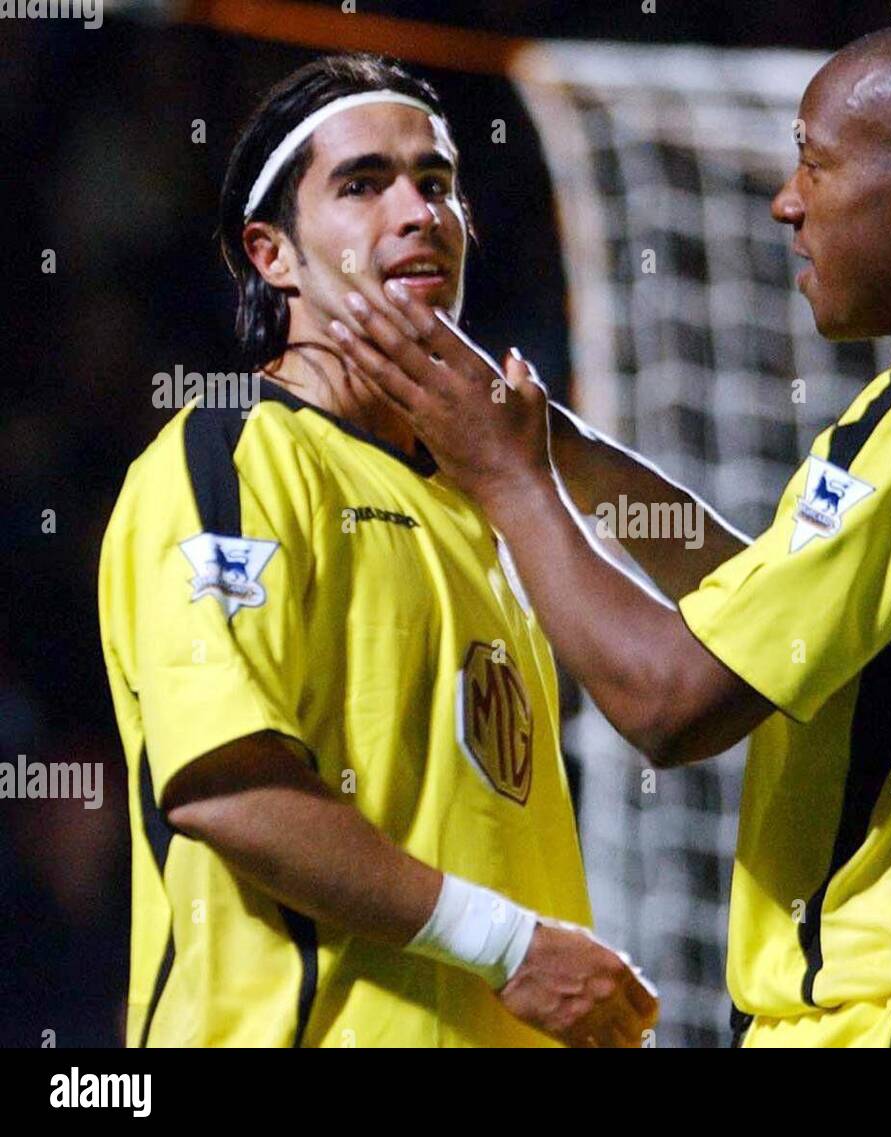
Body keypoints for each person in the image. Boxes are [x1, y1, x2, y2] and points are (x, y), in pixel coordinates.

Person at [332, 26, 891, 1048]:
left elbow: (671, 703)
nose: (786, 200)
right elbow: (780, 616)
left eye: (815, 164)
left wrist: (509, 477)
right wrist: (568, 451)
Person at [98, 53, 658, 1048]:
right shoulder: (232, 453)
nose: (418, 211)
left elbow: (714, 643)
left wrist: (548, 452)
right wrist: (511, 945)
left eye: (436, 183)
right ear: (272, 254)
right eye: (363, 184)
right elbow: (230, 788)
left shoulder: (482, 497)